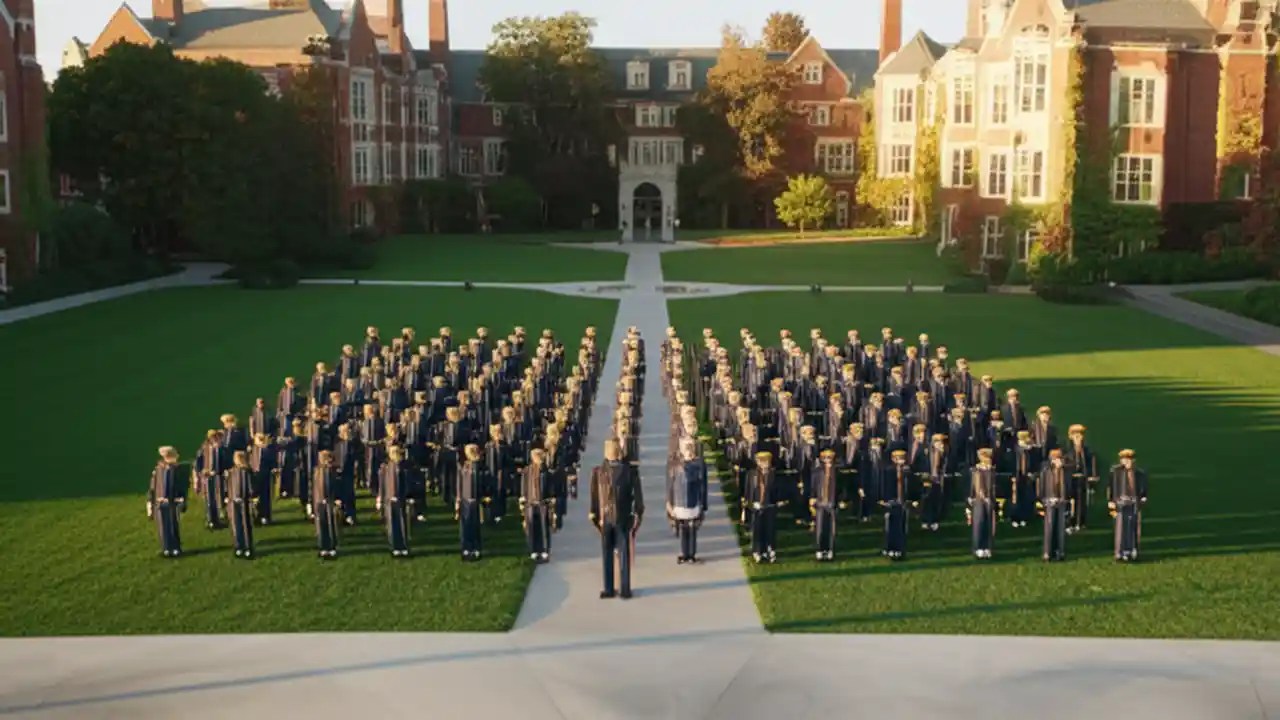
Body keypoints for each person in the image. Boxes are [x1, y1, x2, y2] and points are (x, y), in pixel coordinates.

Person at [590, 439, 644, 598]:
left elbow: (637, 495)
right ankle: (613, 588)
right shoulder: (599, 472)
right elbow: (595, 494)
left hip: (619, 516)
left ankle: (621, 588)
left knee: (620, 552)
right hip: (610, 516)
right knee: (612, 553)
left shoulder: (629, 471)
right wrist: (593, 512)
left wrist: (638, 512)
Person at [668, 438, 708, 564]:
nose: (689, 453)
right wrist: (670, 502)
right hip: (680, 503)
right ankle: (685, 553)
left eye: (691, 451)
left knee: (691, 530)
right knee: (683, 529)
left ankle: (691, 554)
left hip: (693, 502)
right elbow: (671, 485)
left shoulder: (698, 466)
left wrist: (702, 503)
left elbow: (702, 486)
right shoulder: (676, 466)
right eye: (687, 450)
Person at [1108, 449, 1148, 562]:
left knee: (1134, 527)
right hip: (1120, 503)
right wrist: (1111, 501)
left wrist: (1143, 497)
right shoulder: (1116, 472)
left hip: (1134, 502)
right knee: (1121, 528)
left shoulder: (1139, 473)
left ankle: (1132, 550)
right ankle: (1120, 552)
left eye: (1129, 460)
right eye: (1125, 460)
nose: (1127, 462)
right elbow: (1111, 487)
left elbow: (1143, 488)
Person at [147, 446, 186, 558]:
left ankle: (175, 547)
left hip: (172, 501)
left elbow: (181, 486)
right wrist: (150, 501)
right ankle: (166, 548)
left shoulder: (177, 470)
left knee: (173, 525)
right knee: (162, 526)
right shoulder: (158, 470)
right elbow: (153, 487)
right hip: (160, 502)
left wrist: (181, 499)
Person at [745, 451, 781, 564]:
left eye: (766, 461)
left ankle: (770, 550)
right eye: (761, 461)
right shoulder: (752, 474)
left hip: (769, 505)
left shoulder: (773, 475)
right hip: (756, 506)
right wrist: (749, 503)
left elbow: (777, 490)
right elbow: (748, 491)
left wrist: (777, 502)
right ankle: (758, 551)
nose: (764, 464)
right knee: (757, 530)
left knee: (769, 529)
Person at [456, 444, 490, 561]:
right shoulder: (464, 466)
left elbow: (486, 483)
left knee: (475, 526)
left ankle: (476, 548)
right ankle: (466, 548)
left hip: (476, 500)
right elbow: (459, 484)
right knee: (465, 525)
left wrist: (485, 496)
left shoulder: (481, 468)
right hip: (465, 500)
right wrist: (458, 500)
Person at [521, 448, 554, 562]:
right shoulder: (527, 471)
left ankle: (544, 550)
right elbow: (524, 487)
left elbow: (550, 487)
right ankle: (533, 550)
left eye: (539, 457)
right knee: (532, 527)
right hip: (530, 503)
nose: (537, 459)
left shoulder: (546, 471)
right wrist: (523, 500)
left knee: (543, 527)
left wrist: (550, 500)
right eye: (535, 457)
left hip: (542, 503)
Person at [1064, 424, 1098, 534]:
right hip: (1071, 480)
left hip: (1082, 480)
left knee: (1081, 502)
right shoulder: (1067, 451)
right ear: (1071, 437)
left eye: (1080, 436)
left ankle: (1081, 522)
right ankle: (1070, 523)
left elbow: (1091, 464)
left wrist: (1092, 476)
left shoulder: (1087, 451)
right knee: (1071, 502)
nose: (1078, 438)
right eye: (1075, 436)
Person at [380, 445, 412, 557]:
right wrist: (380, 499)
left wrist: (407, 496)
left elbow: (407, 484)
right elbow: (382, 485)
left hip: (400, 499)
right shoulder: (385, 467)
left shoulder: (404, 467)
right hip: (389, 499)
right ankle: (395, 546)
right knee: (392, 524)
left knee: (402, 522)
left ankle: (403, 546)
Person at [1038, 448, 1070, 561]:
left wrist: (1066, 498)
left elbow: (1068, 486)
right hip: (1049, 501)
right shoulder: (1046, 471)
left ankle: (1059, 552)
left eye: (1059, 459)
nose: (1058, 461)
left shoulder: (1064, 471)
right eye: (1056, 459)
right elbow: (1041, 486)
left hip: (1061, 501)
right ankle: (1047, 552)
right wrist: (1042, 500)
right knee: (1049, 527)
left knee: (1060, 528)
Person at [810, 449, 840, 561]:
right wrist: (812, 497)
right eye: (826, 458)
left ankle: (830, 549)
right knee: (820, 528)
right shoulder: (817, 471)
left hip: (832, 503)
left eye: (830, 458)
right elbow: (813, 486)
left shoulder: (837, 471)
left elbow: (841, 488)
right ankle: (820, 549)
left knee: (831, 528)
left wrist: (841, 500)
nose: (828, 460)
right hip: (820, 502)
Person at [882, 449, 912, 560]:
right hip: (891, 502)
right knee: (890, 526)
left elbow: (912, 487)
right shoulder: (889, 471)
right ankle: (889, 548)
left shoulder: (908, 472)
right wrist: (884, 499)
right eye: (898, 459)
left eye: (902, 459)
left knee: (902, 527)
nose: (901, 461)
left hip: (903, 502)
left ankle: (900, 549)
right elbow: (884, 486)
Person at [225, 450, 255, 559]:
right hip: (233, 501)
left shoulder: (247, 472)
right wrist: (228, 497)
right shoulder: (232, 472)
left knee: (245, 524)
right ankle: (238, 546)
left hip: (244, 501)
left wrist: (250, 497)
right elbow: (228, 486)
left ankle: (247, 547)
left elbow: (250, 487)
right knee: (236, 524)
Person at [193, 429, 226, 529]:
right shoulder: (204, 449)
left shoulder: (220, 448)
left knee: (217, 497)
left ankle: (217, 519)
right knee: (210, 499)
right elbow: (197, 464)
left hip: (218, 476)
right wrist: (202, 473)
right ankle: (211, 520)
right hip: (208, 478)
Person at [968, 448, 997, 559]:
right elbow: (972, 487)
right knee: (979, 523)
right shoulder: (976, 470)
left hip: (989, 500)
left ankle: (988, 547)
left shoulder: (992, 471)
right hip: (979, 500)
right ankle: (978, 547)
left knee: (989, 524)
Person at [312, 450, 341, 559]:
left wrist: (337, 499)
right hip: (319, 501)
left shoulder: (333, 471)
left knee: (331, 524)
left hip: (330, 501)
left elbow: (336, 487)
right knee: (321, 525)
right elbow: (315, 488)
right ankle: (323, 547)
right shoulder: (317, 471)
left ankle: (332, 547)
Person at [248, 433, 276, 525]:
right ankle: (257, 516)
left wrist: (273, 468)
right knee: (255, 497)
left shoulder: (268, 450)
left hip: (265, 476)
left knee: (265, 497)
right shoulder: (252, 450)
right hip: (255, 476)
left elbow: (272, 462)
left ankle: (265, 516)